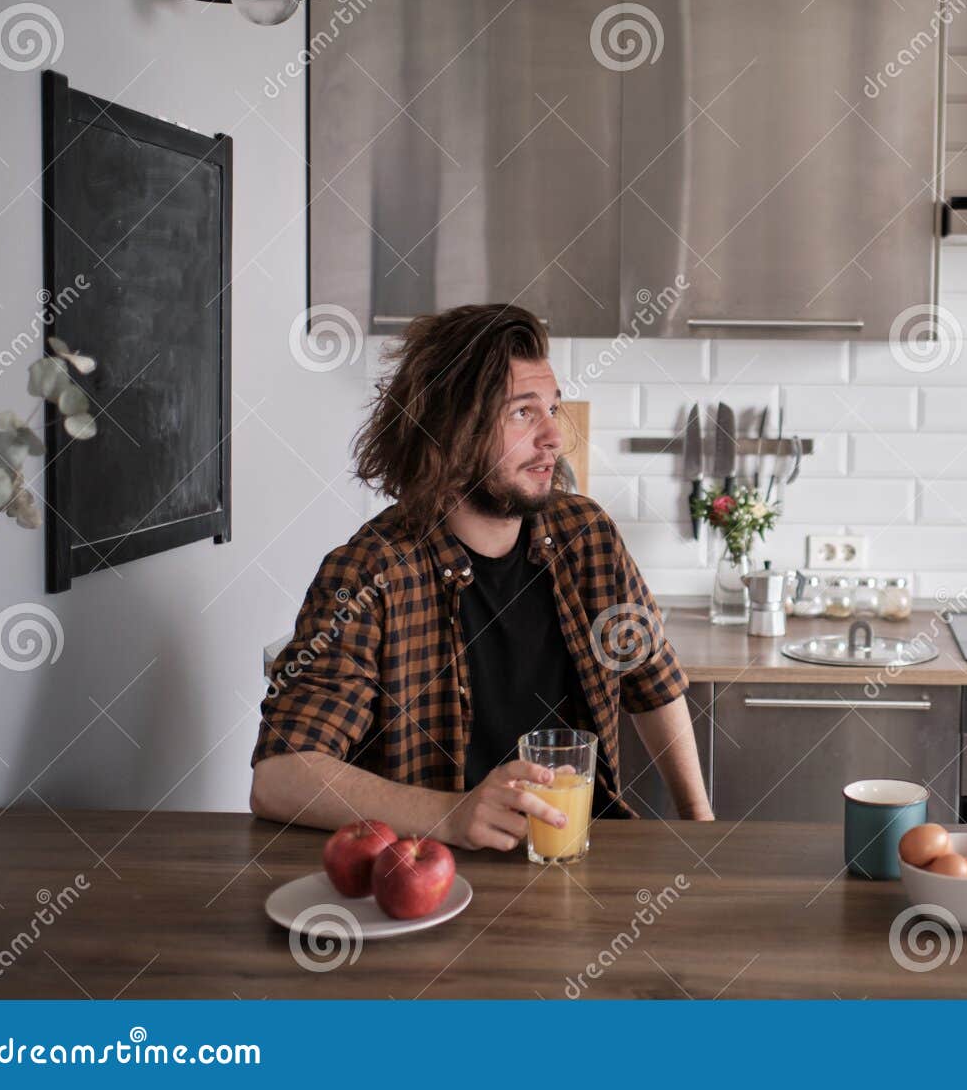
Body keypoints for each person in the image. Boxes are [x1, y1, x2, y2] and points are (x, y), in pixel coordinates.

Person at [249, 304, 713, 850]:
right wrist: (452, 815)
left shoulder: (587, 536)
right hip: (441, 873)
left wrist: (699, 822)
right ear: (453, 429)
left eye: (552, 408)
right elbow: (279, 778)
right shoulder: (371, 573)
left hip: (583, 851)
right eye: (522, 412)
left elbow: (651, 680)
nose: (554, 436)